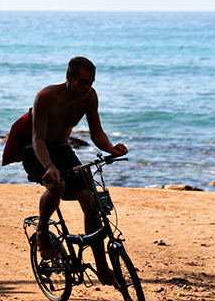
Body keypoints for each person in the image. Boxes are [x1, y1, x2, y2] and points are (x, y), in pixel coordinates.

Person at [9, 56, 127, 285]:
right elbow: (38, 139)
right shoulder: (46, 97)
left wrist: (111, 147)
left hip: (62, 148)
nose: (87, 87)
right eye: (83, 81)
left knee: (92, 203)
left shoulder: (89, 97)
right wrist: (48, 166)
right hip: (35, 150)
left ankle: (102, 268)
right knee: (57, 185)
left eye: (91, 82)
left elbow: (96, 133)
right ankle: (42, 231)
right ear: (69, 77)